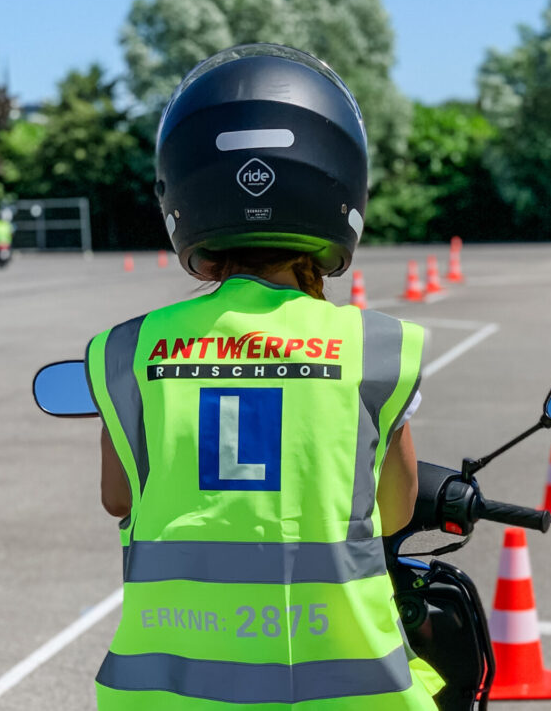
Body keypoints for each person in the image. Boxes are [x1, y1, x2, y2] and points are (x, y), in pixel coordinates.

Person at [86, 45, 441, 709]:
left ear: (182, 191)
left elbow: (118, 499)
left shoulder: (127, 352)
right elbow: (392, 512)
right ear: (341, 185)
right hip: (352, 694)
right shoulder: (375, 347)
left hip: (166, 694)